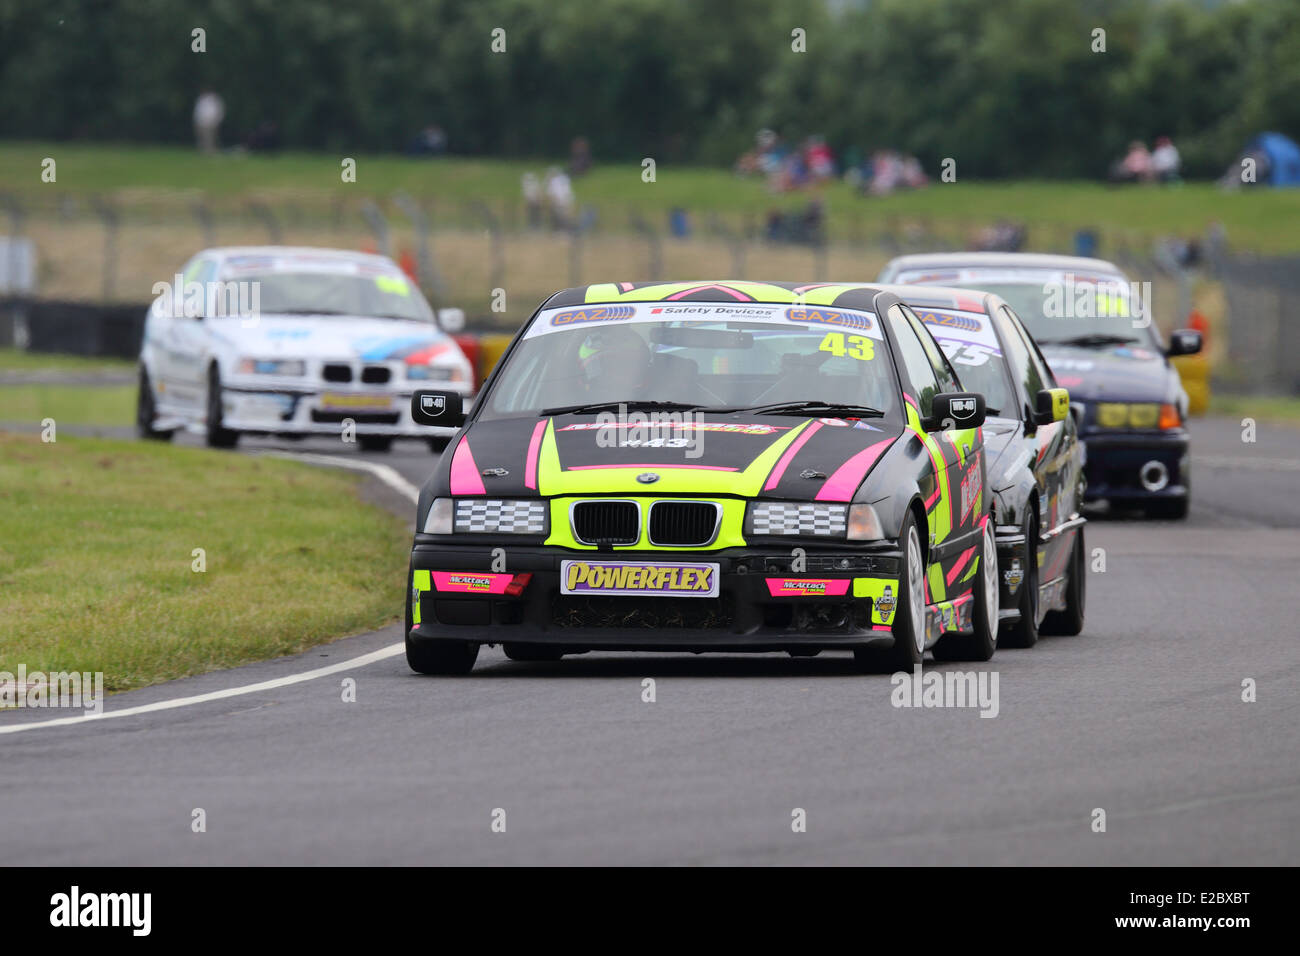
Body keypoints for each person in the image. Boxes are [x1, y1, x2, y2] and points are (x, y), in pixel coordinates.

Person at [193, 87, 225, 154]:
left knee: (210, 138)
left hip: (211, 122)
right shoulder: (201, 99)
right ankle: (202, 150)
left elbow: (219, 111)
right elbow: (198, 110)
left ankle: (210, 150)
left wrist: (216, 121)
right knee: (201, 137)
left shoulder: (215, 100)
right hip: (201, 122)